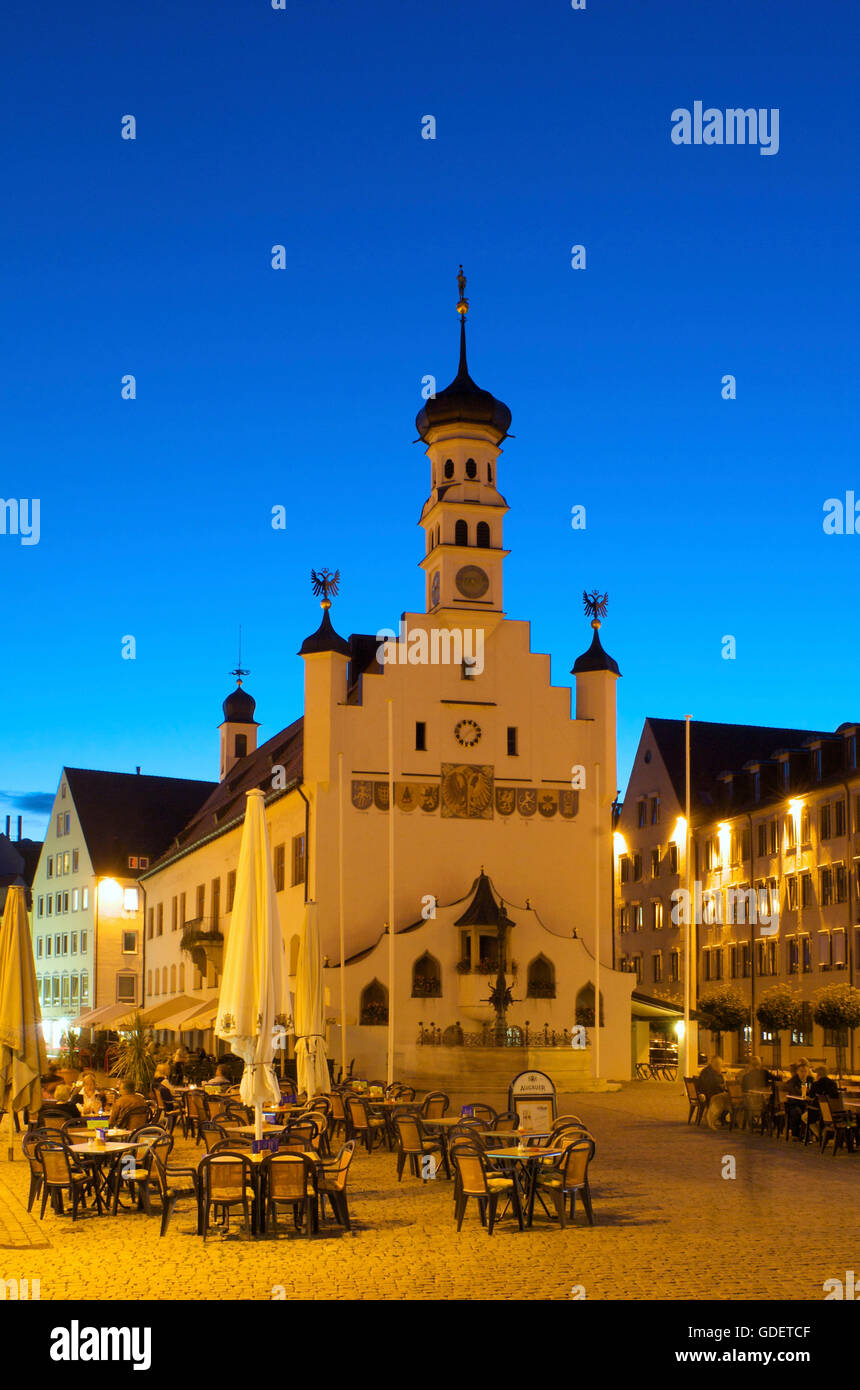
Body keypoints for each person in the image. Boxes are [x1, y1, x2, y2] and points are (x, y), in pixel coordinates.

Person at [698, 1056, 730, 1129]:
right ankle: (721, 1118)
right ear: (716, 1064)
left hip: (707, 1094)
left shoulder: (706, 1070)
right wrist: (721, 1076)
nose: (721, 1067)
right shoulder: (710, 1073)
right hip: (710, 1096)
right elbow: (716, 1084)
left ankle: (721, 1118)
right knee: (731, 1101)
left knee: (728, 1098)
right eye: (720, 1065)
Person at [785, 1059, 815, 1138]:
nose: (803, 1073)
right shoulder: (793, 1081)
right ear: (797, 1071)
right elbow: (794, 1092)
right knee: (796, 1111)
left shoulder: (810, 1080)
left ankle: (808, 1133)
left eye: (805, 1071)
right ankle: (796, 1134)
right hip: (794, 1103)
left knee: (812, 1112)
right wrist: (803, 1093)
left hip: (806, 1104)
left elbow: (812, 1092)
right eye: (801, 1071)